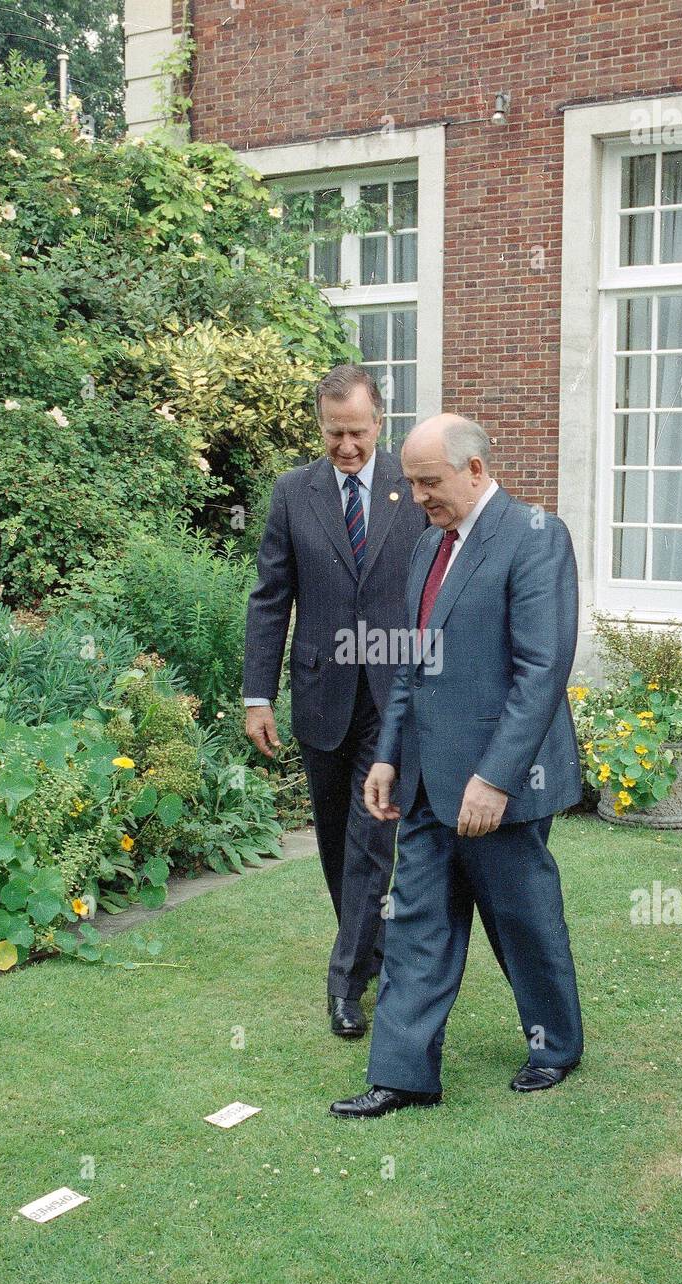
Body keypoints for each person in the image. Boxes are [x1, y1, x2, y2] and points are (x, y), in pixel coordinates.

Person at [330, 413, 584, 1118]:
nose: (417, 497)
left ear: (474, 469)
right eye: (410, 484)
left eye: (428, 482)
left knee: (522, 923)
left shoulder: (536, 538)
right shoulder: (426, 550)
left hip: (503, 786)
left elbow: (541, 672)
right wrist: (387, 759)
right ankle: (404, 1075)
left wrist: (496, 778)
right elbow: (411, 669)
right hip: (426, 783)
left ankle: (555, 1046)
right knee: (414, 926)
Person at [241, 365, 426, 1038]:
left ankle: (344, 984)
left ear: (381, 421)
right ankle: (371, 950)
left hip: (389, 698)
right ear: (320, 425)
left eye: (357, 432)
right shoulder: (294, 492)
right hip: (321, 696)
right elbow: (270, 597)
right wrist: (257, 695)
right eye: (333, 433)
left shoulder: (415, 488)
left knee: (372, 841)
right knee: (334, 844)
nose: (346, 446)